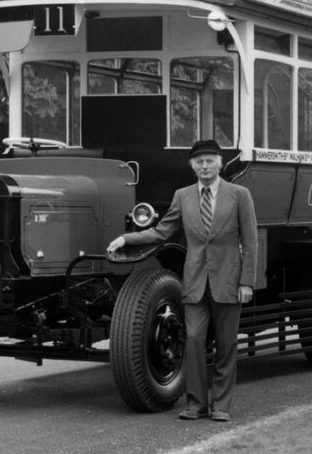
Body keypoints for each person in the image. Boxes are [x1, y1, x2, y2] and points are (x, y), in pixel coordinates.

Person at [107, 139, 258, 422]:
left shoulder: (240, 195)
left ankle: (221, 406)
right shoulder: (183, 196)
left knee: (226, 346)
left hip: (229, 282)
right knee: (193, 340)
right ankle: (196, 404)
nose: (204, 166)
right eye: (199, 162)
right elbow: (161, 232)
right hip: (195, 282)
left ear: (219, 163)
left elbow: (250, 243)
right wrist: (127, 238)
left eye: (210, 161)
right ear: (192, 166)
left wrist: (246, 282)